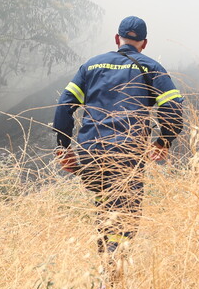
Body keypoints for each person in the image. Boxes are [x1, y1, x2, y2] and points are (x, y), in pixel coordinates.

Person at [52, 15, 184, 262]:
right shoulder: (151, 67)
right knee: (125, 218)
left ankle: (103, 270)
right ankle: (111, 278)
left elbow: (63, 105)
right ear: (144, 43)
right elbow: (174, 108)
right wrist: (163, 141)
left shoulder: (91, 66)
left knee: (105, 211)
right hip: (126, 154)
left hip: (90, 153)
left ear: (117, 39)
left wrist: (63, 148)